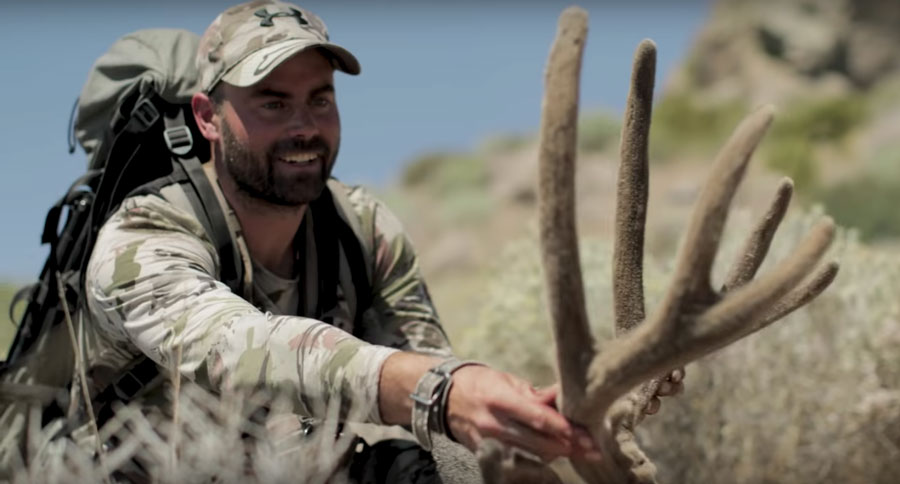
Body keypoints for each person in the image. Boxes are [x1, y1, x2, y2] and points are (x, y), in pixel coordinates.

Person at [82, 1, 679, 480]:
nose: (305, 127)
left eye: (320, 99)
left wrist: (530, 415)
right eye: (273, 102)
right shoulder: (142, 238)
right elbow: (246, 348)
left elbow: (431, 374)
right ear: (208, 116)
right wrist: (440, 393)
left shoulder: (361, 230)